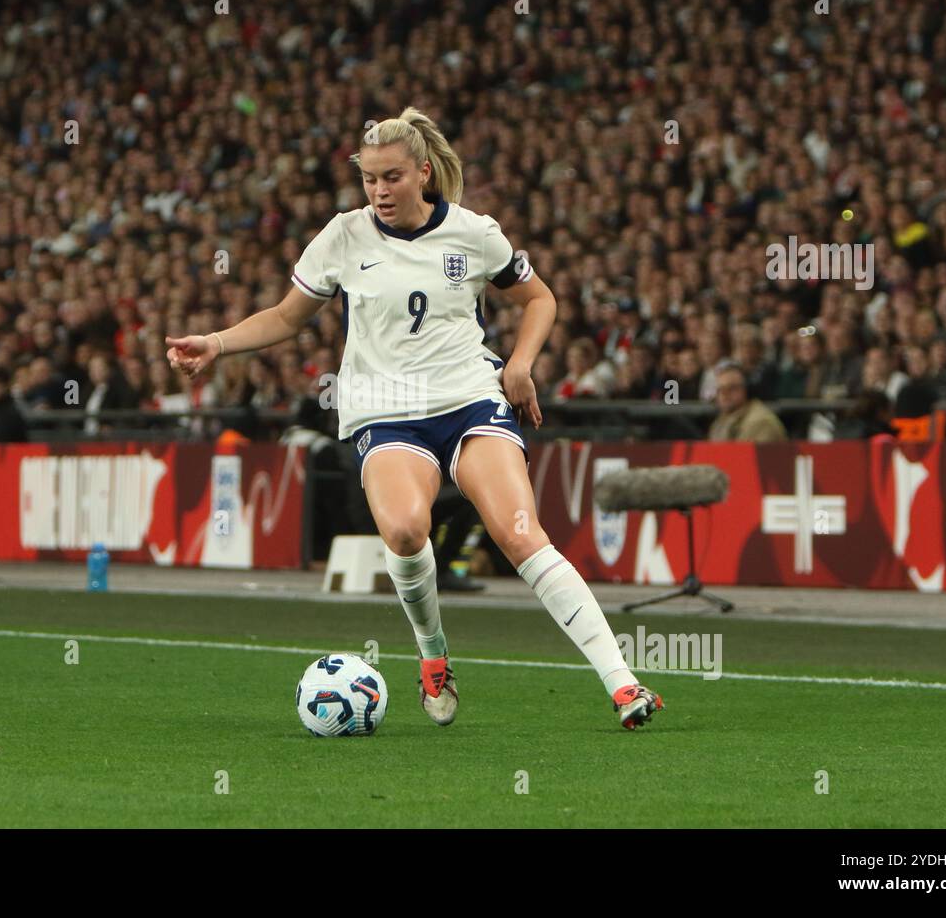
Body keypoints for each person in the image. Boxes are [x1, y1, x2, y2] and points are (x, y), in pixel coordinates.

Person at [167, 107, 662, 731]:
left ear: (424, 172)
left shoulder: (475, 233)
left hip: (469, 398)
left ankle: (623, 684)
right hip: (385, 411)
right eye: (370, 179)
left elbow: (540, 298)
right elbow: (289, 317)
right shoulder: (344, 235)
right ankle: (433, 656)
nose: (379, 191)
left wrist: (520, 364)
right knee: (404, 532)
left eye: (392, 177)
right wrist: (216, 342)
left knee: (518, 531)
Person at [708, 362, 789, 442]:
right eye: (720, 390)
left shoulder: (761, 422)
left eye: (732, 388)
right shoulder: (720, 422)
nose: (724, 394)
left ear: (747, 389)